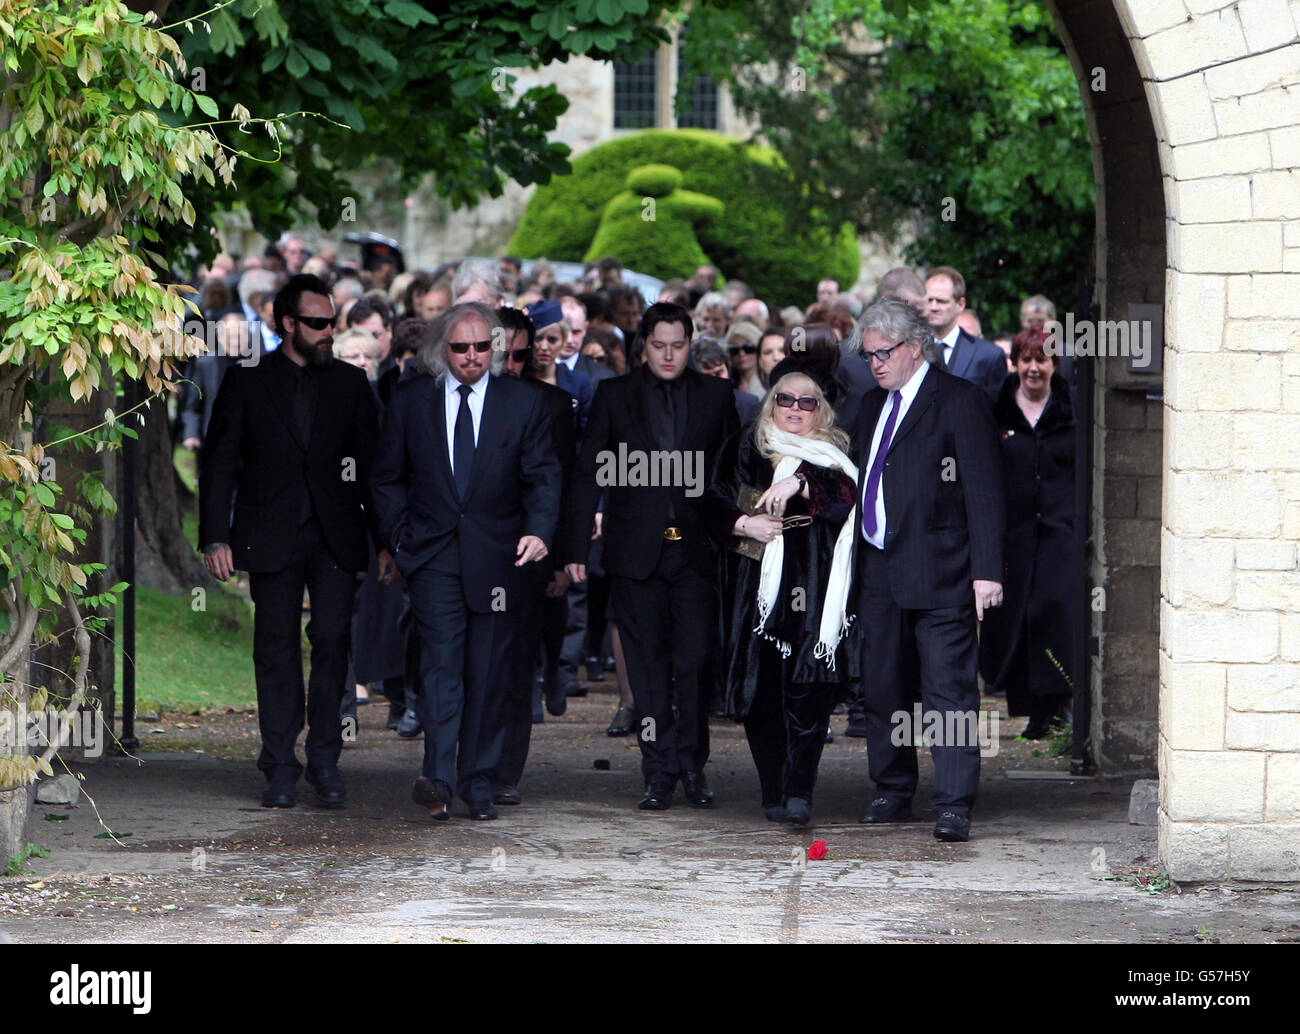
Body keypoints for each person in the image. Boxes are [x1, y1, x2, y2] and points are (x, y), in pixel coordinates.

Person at [370, 302, 562, 822]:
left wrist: (539, 532)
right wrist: (399, 537)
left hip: (501, 559)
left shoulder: (523, 403)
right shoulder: (411, 401)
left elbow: (544, 476)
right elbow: (385, 477)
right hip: (433, 557)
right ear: (441, 351)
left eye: (482, 346)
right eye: (461, 347)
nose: (473, 356)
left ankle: (479, 782)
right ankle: (438, 779)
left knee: (489, 672)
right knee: (439, 668)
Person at [199, 274, 383, 810]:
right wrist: (215, 536)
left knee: (331, 643)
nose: (329, 332)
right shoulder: (247, 381)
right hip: (270, 536)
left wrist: (386, 542)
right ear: (288, 324)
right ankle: (279, 763)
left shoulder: (351, 386)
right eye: (318, 323)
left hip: (336, 537)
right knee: (274, 649)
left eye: (333, 322)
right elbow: (220, 463)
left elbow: (373, 472)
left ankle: (325, 759)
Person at [565, 302, 739, 810]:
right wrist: (576, 545)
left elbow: (730, 473)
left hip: (697, 550)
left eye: (678, 346)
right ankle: (657, 770)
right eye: (659, 345)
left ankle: (692, 764)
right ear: (643, 345)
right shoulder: (613, 395)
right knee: (644, 668)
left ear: (691, 344)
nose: (668, 355)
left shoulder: (716, 395)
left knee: (694, 662)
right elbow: (589, 471)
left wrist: (738, 531)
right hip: (634, 548)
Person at [851, 299, 1005, 843]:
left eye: (883, 353)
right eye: (868, 355)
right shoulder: (872, 405)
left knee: (948, 691)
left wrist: (987, 571)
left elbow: (985, 489)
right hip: (880, 571)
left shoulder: (958, 400)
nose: (874, 363)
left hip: (943, 571)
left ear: (914, 347)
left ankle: (954, 802)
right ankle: (892, 789)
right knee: (883, 687)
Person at [705, 361, 859, 826]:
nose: (794, 409)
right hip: (756, 591)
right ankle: (774, 786)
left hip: (816, 587)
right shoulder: (746, 448)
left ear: (821, 411)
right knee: (763, 692)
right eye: (785, 400)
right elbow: (711, 499)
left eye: (806, 402)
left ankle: (799, 792)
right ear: (771, 404)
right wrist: (743, 521)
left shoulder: (836, 455)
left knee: (810, 690)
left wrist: (802, 480)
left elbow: (849, 498)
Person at [980, 328, 1077, 739]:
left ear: (1055, 365)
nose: (1034, 368)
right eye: (1026, 359)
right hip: (1011, 536)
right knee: (1014, 620)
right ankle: (1025, 703)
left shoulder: (1072, 410)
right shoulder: (995, 410)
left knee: (1053, 616)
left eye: (1043, 360)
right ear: (1015, 363)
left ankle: (1053, 707)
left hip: (1059, 534)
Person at [497, 306, 576, 797]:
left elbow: (564, 484)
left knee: (518, 663)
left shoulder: (552, 404)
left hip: (532, 553)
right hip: (467, 550)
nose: (510, 364)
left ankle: (504, 772)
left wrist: (563, 558)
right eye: (501, 353)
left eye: (520, 355)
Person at [923, 266, 1006, 397]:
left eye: (941, 301)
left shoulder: (988, 355)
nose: (933, 307)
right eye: (929, 300)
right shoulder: (910, 350)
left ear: (960, 304)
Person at [726, 320, 765, 397]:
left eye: (748, 348)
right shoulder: (726, 383)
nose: (741, 354)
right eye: (735, 350)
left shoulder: (770, 382)